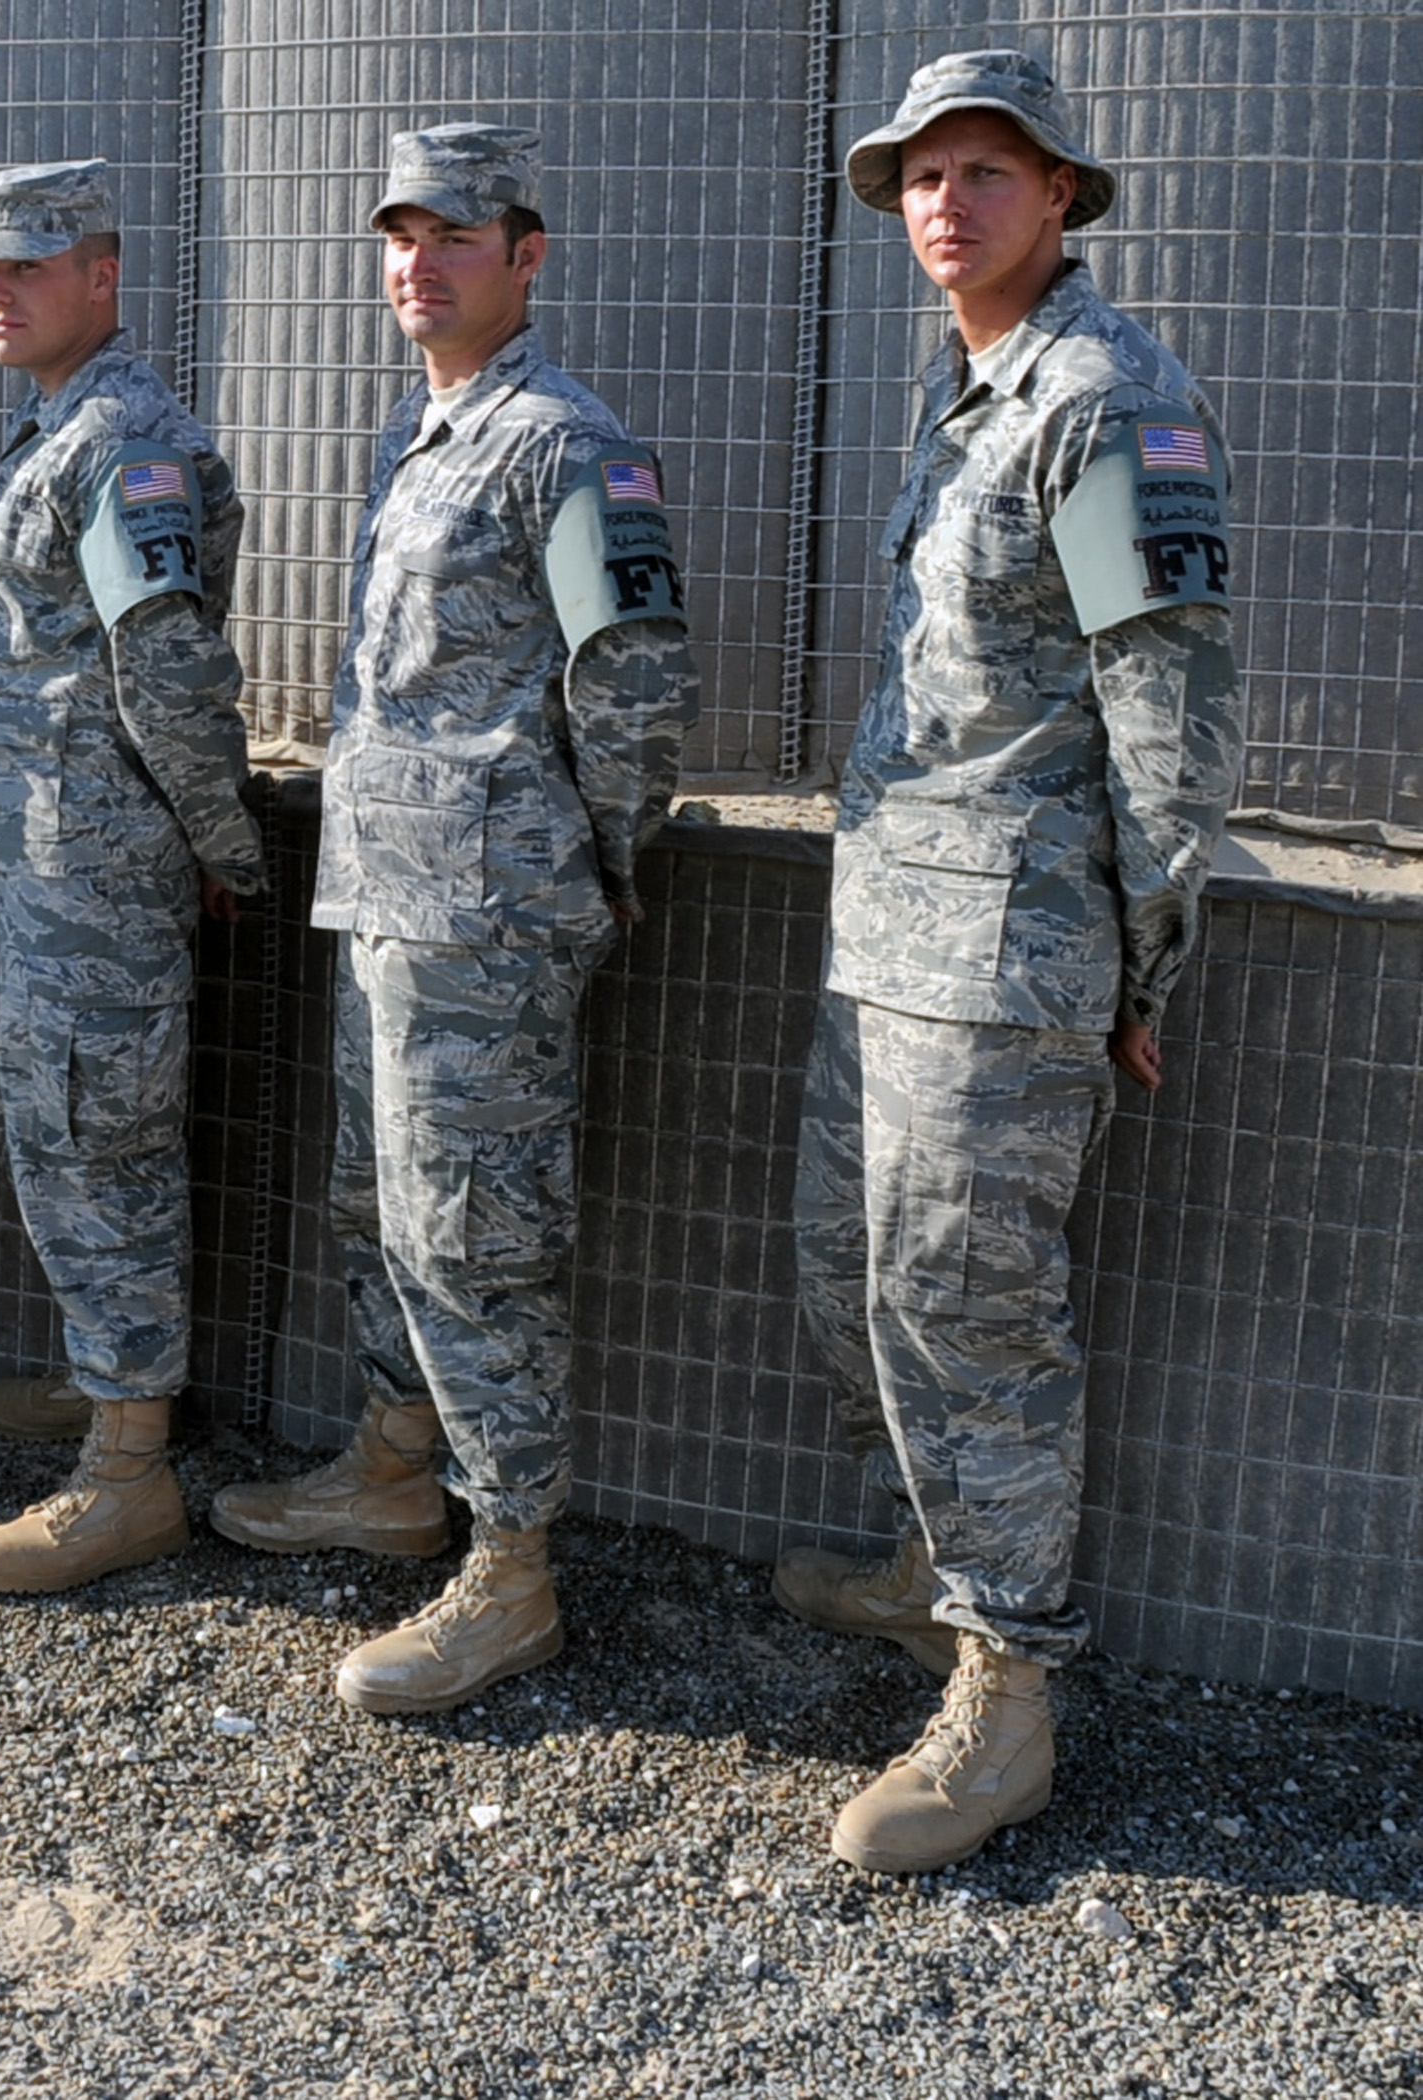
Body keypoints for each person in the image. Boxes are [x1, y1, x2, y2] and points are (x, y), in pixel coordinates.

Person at [778, 50, 1241, 1875]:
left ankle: (1006, 1695)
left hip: (1014, 950)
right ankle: (926, 1559)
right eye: (918, 175)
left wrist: (1139, 964)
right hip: (893, 924)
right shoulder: (966, 394)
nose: (943, 202)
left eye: (984, 172)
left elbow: (1174, 714)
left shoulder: (1110, 402)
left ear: (1060, 197)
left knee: (969, 1310)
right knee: (856, 1271)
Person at [214, 125, 697, 1714]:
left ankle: (511, 1569)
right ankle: (393, 1464)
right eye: (399, 237)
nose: (417, 263)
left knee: (476, 1235)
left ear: (526, 255)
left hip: (488, 915)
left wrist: (595, 858)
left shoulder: (566, 444)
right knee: (379, 1206)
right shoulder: (417, 433)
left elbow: (629, 684)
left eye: (455, 237)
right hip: (385, 896)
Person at [0, 160, 265, 1593]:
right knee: (59, 1141)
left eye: (26, 265)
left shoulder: (126, 440)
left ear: (103, 275)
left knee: (100, 1144)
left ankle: (130, 1470)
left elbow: (170, 671)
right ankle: (106, 1379)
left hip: (99, 869)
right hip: (38, 861)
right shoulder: (56, 429)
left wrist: (221, 841)